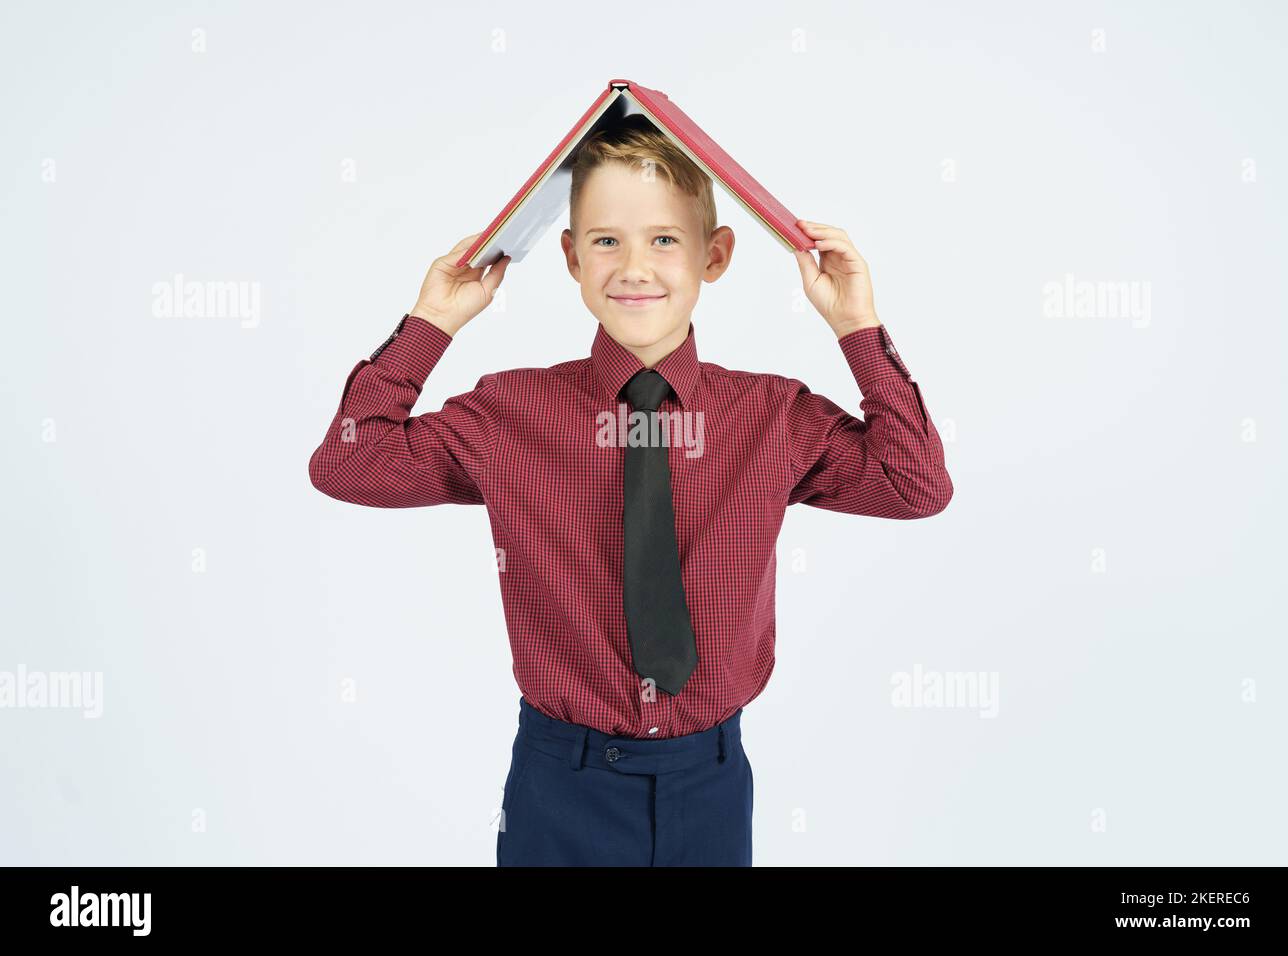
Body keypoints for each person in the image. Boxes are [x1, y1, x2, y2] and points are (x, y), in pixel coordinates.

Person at [307, 114, 953, 866]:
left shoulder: (774, 415)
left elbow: (915, 485)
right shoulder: (508, 414)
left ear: (716, 256)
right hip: (560, 786)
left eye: (664, 240)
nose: (634, 267)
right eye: (607, 240)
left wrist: (857, 327)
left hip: (708, 784)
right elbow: (351, 464)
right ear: (572, 258)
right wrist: (431, 323)